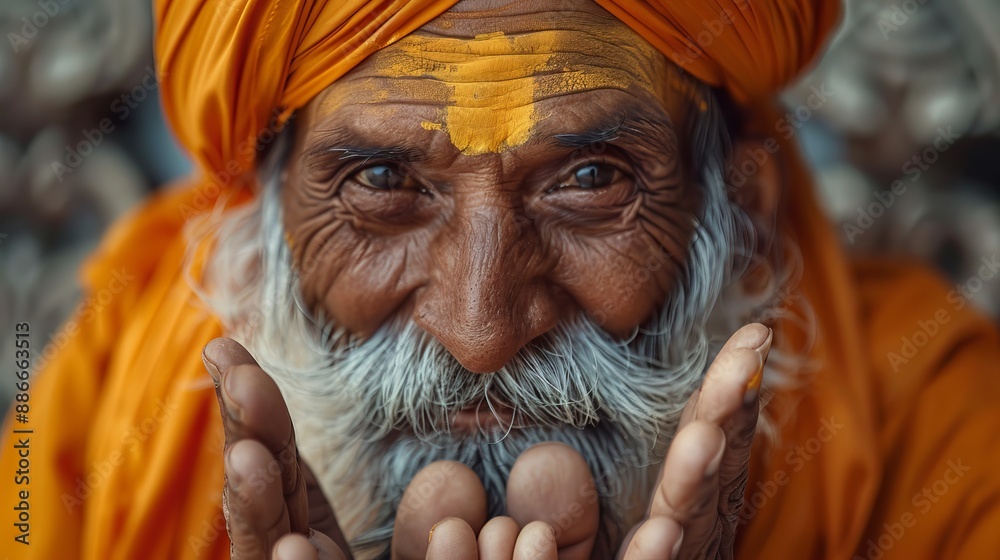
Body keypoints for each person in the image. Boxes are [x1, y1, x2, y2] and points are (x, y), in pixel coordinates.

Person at [4, 0, 1000, 558]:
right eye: (383, 182)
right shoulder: (105, 410)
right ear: (259, 230)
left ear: (738, 216)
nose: (481, 328)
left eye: (588, 180)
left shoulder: (939, 428)